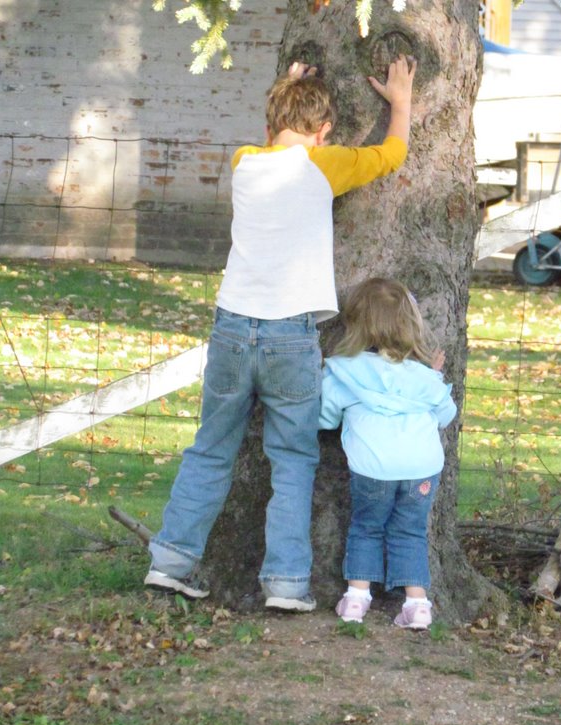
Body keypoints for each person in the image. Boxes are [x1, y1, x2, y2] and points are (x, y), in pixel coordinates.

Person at [144, 56, 417, 612]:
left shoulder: (245, 162)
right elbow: (393, 154)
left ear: (269, 125)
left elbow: (273, 139)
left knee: (210, 449)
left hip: (231, 327)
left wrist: (287, 87)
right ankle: (287, 584)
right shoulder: (324, 164)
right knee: (292, 460)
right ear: (324, 131)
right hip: (290, 335)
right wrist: (401, 101)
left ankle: (169, 562)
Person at [319, 278, 457, 629]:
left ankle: (356, 600)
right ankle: (418, 605)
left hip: (373, 467)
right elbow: (446, 415)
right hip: (421, 468)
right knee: (410, 531)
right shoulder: (424, 376)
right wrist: (433, 379)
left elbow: (325, 417)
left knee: (367, 527)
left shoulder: (344, 371)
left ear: (356, 324)